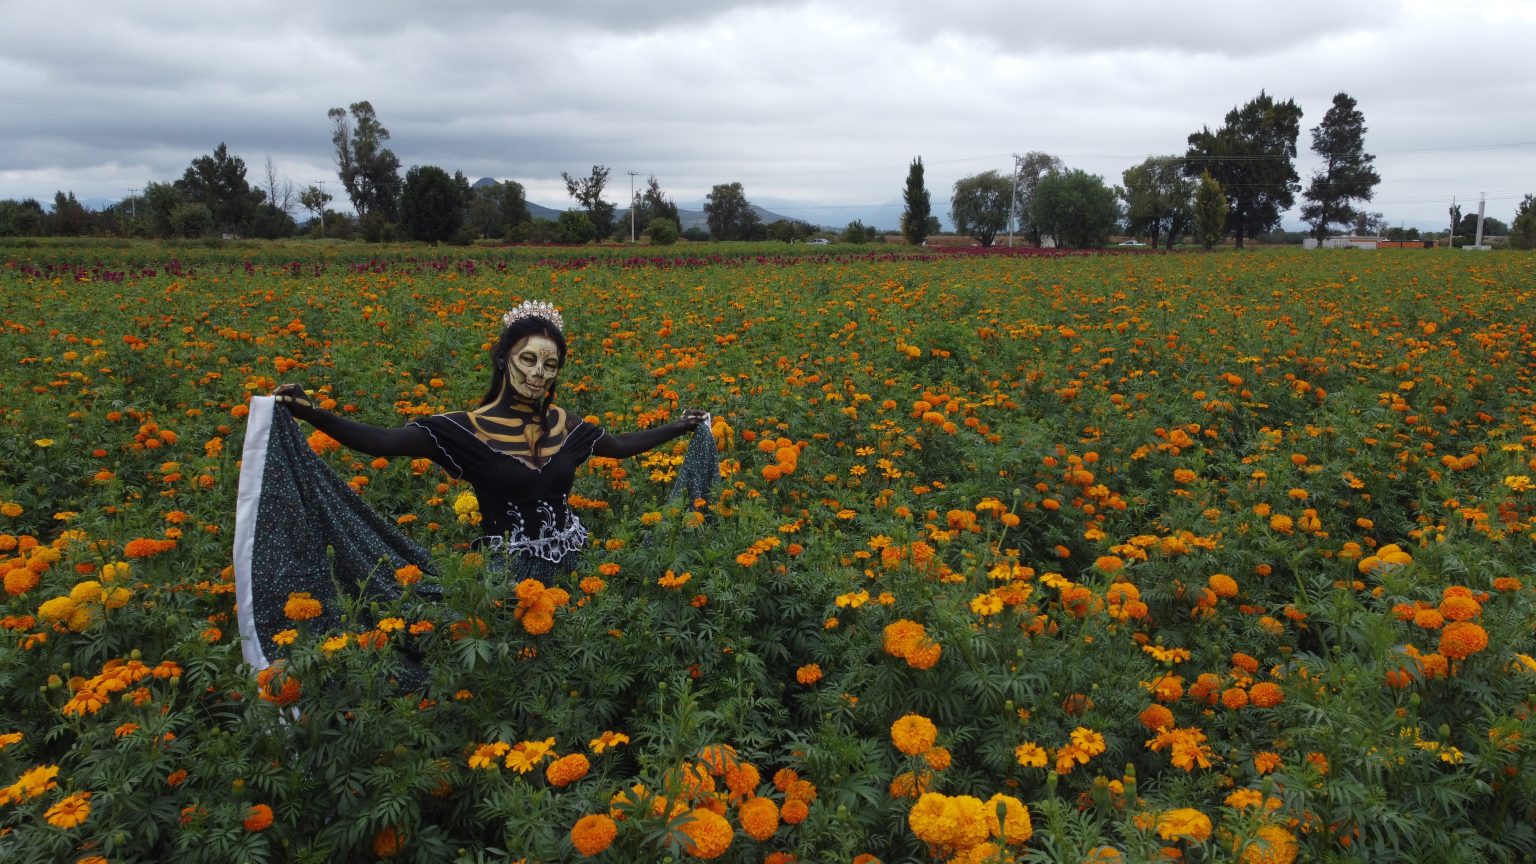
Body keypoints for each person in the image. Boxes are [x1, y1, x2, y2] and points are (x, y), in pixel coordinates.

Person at [271, 299, 710, 589]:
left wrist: (679, 426)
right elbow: (383, 442)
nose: (538, 373)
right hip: (508, 577)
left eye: (550, 365)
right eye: (528, 359)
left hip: (577, 564)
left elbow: (620, 445)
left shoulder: (565, 425)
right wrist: (314, 414)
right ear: (503, 359)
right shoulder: (465, 430)